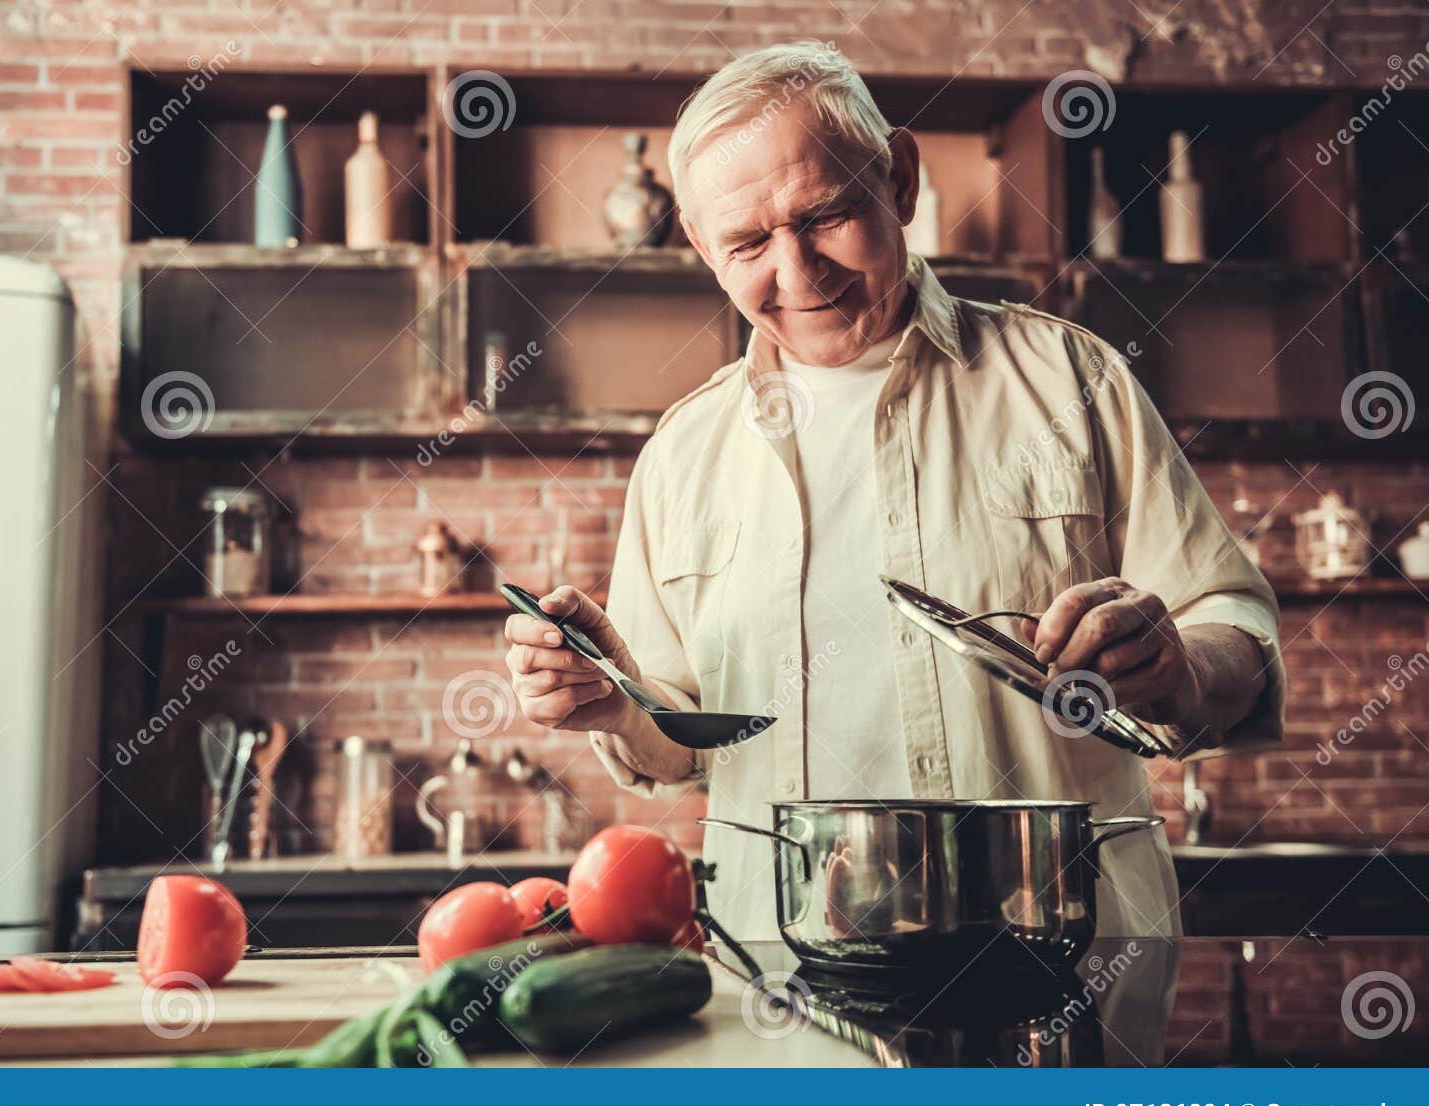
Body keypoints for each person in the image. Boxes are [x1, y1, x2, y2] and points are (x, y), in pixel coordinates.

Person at [502, 40, 1283, 942]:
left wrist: (1183, 669)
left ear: (900, 180)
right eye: (749, 242)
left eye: (826, 216)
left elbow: (1239, 626)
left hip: (1055, 961)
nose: (798, 275)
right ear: (701, 247)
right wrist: (618, 701)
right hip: (779, 973)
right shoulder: (681, 456)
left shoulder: (1075, 381)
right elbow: (681, 744)